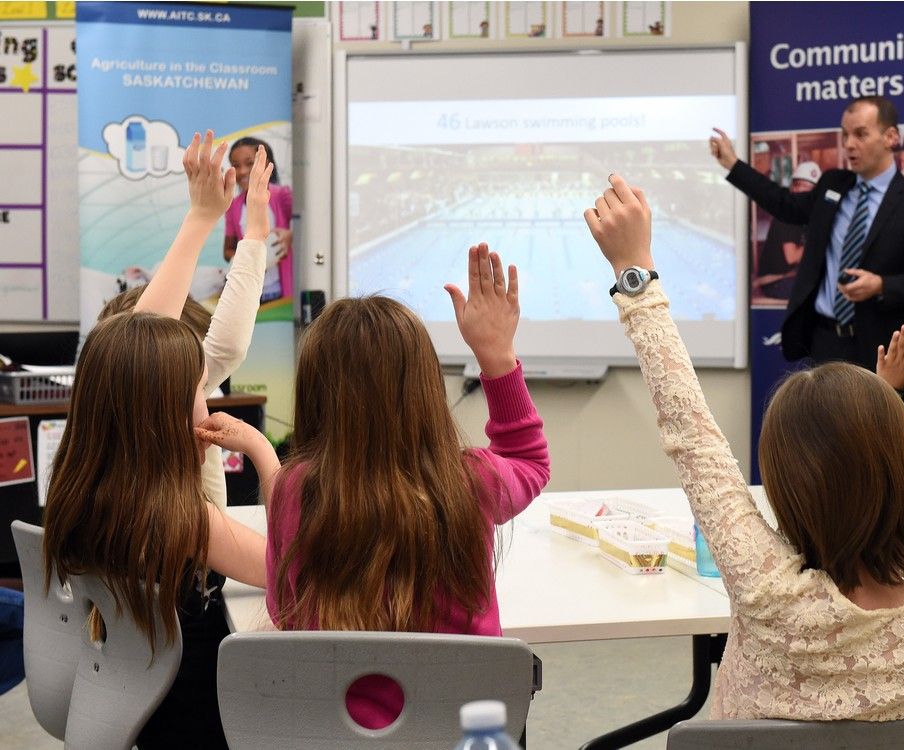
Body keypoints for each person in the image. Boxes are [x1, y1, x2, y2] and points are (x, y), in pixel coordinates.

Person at [584, 173, 904, 720]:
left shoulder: (764, 588)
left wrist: (636, 276)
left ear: (787, 487)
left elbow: (694, 436)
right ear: (902, 471)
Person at [214, 243, 549, 730]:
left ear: (314, 396)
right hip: (460, 735)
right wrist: (495, 356)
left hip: (327, 737)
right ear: (424, 390)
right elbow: (530, 462)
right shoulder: (470, 481)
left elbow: (283, 611)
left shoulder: (296, 490)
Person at [43, 131, 280, 750]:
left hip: (133, 700)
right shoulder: (183, 519)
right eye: (197, 386)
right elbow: (292, 568)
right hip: (199, 715)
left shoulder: (84, 480)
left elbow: (136, 354)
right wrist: (263, 453)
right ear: (162, 414)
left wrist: (209, 221)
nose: (208, 389)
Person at [711, 96, 904, 371]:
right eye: (845, 135)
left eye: (860, 134)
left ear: (891, 137)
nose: (849, 144)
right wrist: (734, 165)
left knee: (871, 417)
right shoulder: (833, 184)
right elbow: (785, 205)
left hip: (879, 349)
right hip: (823, 341)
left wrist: (882, 285)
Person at [97, 138, 269, 508]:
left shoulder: (97, 456)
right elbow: (145, 339)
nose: (199, 386)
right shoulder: (173, 510)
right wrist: (262, 452)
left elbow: (225, 347)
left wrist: (248, 234)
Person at [224, 136, 293, 303]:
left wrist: (290, 235)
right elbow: (227, 251)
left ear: (265, 162)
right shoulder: (233, 206)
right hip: (250, 294)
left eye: (249, 163)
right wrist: (246, 258)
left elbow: (308, 227)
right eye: (236, 165)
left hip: (282, 294)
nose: (242, 171)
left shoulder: (282, 195)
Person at [754, 161, 820, 300]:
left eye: (813, 190)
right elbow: (792, 257)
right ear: (794, 188)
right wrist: (821, 238)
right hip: (775, 283)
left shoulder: (803, 215)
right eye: (804, 188)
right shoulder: (788, 215)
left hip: (786, 279)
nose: (809, 197)